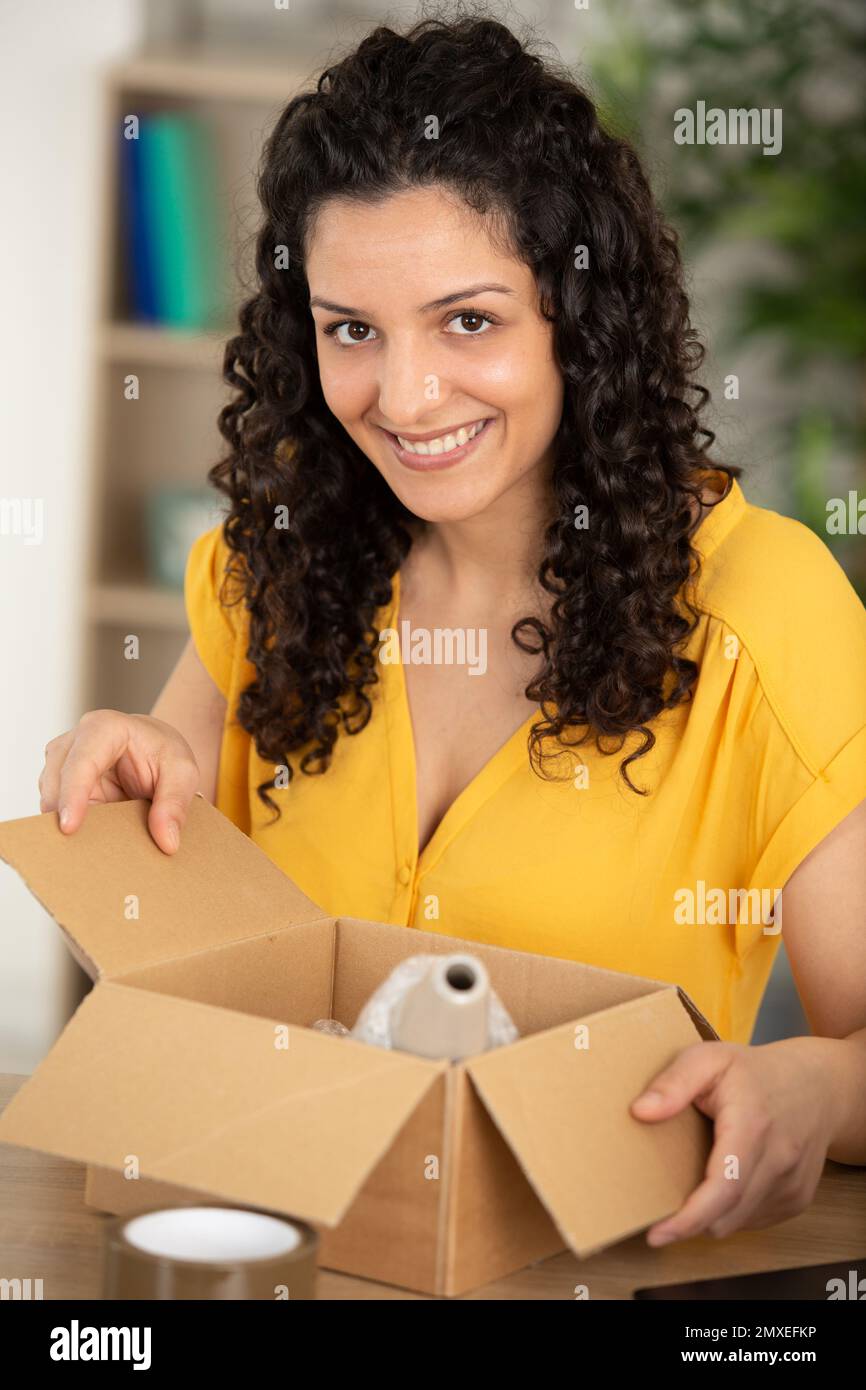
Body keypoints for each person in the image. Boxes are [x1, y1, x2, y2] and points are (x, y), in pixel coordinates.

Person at [38, 14, 866, 1246]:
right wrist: (121, 821)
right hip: (298, 1256)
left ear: (575, 319)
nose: (405, 396)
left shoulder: (763, 605)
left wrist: (819, 1082)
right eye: (350, 330)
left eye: (467, 320)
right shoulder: (263, 577)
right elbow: (177, 985)